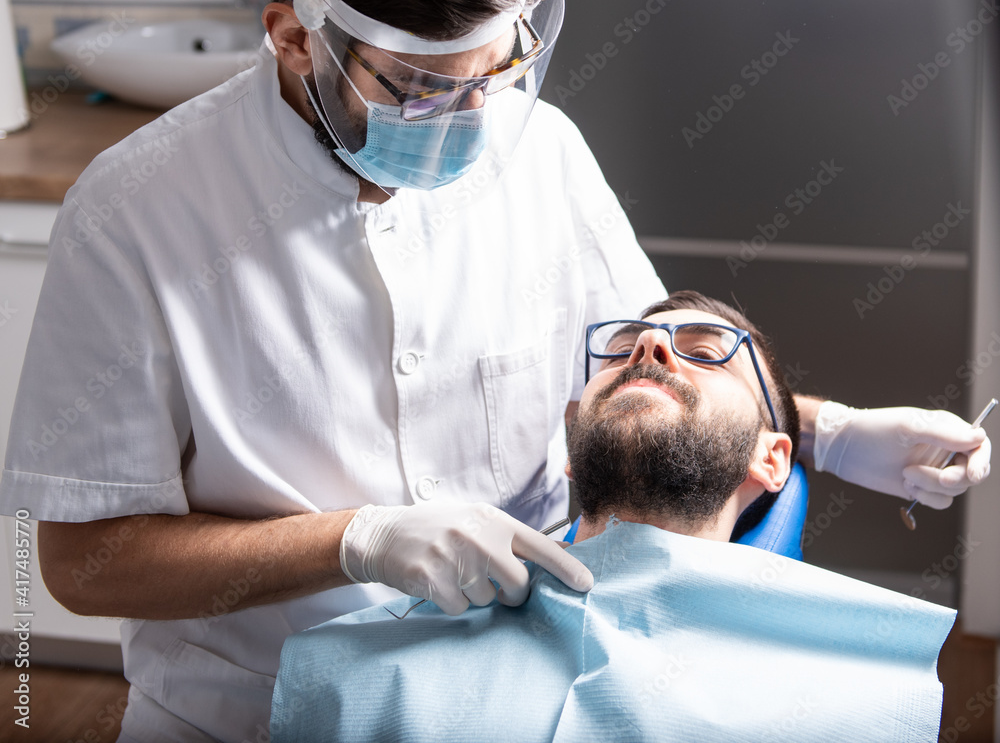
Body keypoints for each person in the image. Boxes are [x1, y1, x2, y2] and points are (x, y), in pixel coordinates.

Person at [0, 0, 987, 742]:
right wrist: (355, 541)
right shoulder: (134, 213)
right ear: (295, 36)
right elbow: (85, 562)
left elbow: (637, 374)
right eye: (422, 89)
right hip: (251, 714)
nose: (474, 120)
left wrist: (830, 432)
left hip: (522, 694)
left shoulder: (540, 150)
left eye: (496, 71)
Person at [268, 292, 956, 743]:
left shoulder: (855, 707)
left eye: (707, 351)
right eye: (625, 345)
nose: (648, 351)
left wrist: (832, 431)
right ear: (571, 445)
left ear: (772, 458)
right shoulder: (355, 681)